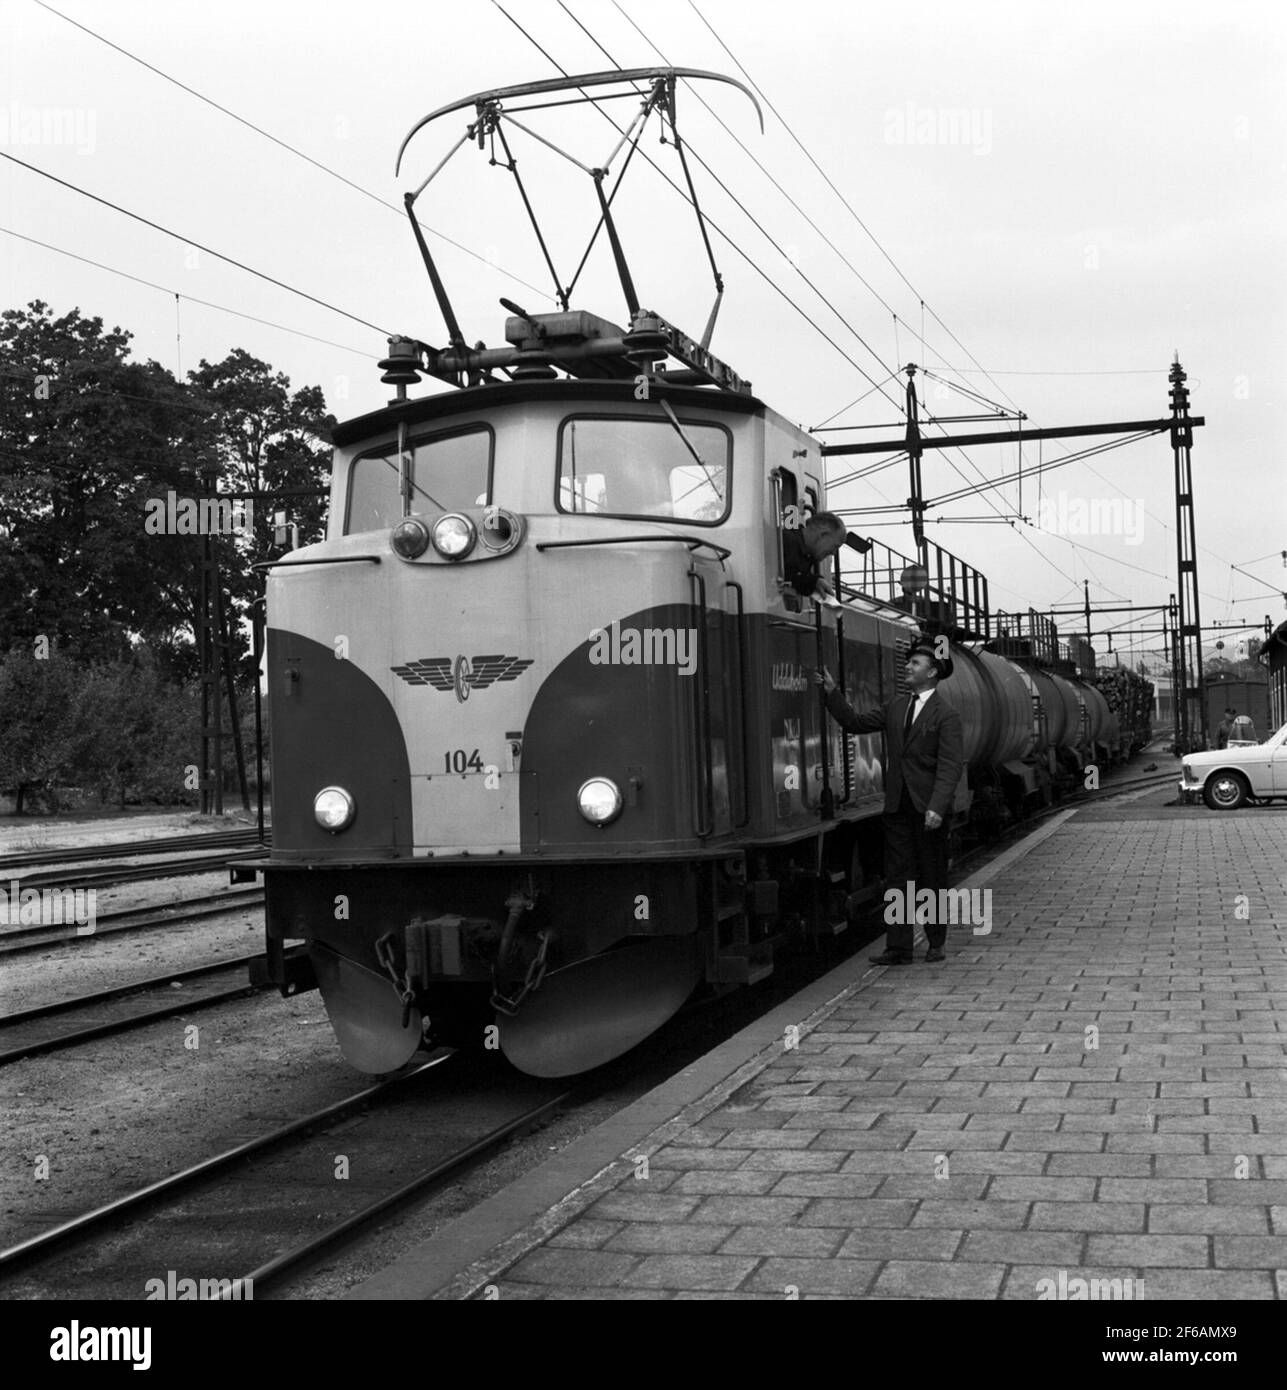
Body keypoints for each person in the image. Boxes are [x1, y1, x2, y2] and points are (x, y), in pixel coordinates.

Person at [814, 640, 964, 964]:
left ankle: (936, 942)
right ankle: (899, 947)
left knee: (932, 876)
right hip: (898, 807)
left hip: (929, 809)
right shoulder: (896, 708)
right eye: (908, 662)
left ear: (933, 672)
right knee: (899, 878)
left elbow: (950, 766)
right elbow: (855, 722)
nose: (908, 667)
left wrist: (937, 806)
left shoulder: (947, 715)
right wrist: (831, 693)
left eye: (916, 663)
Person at [782, 511, 847, 602]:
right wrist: (812, 582)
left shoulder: (805, 556)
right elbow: (782, 577)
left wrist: (813, 582)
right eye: (835, 546)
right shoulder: (785, 543)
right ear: (823, 535)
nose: (833, 552)